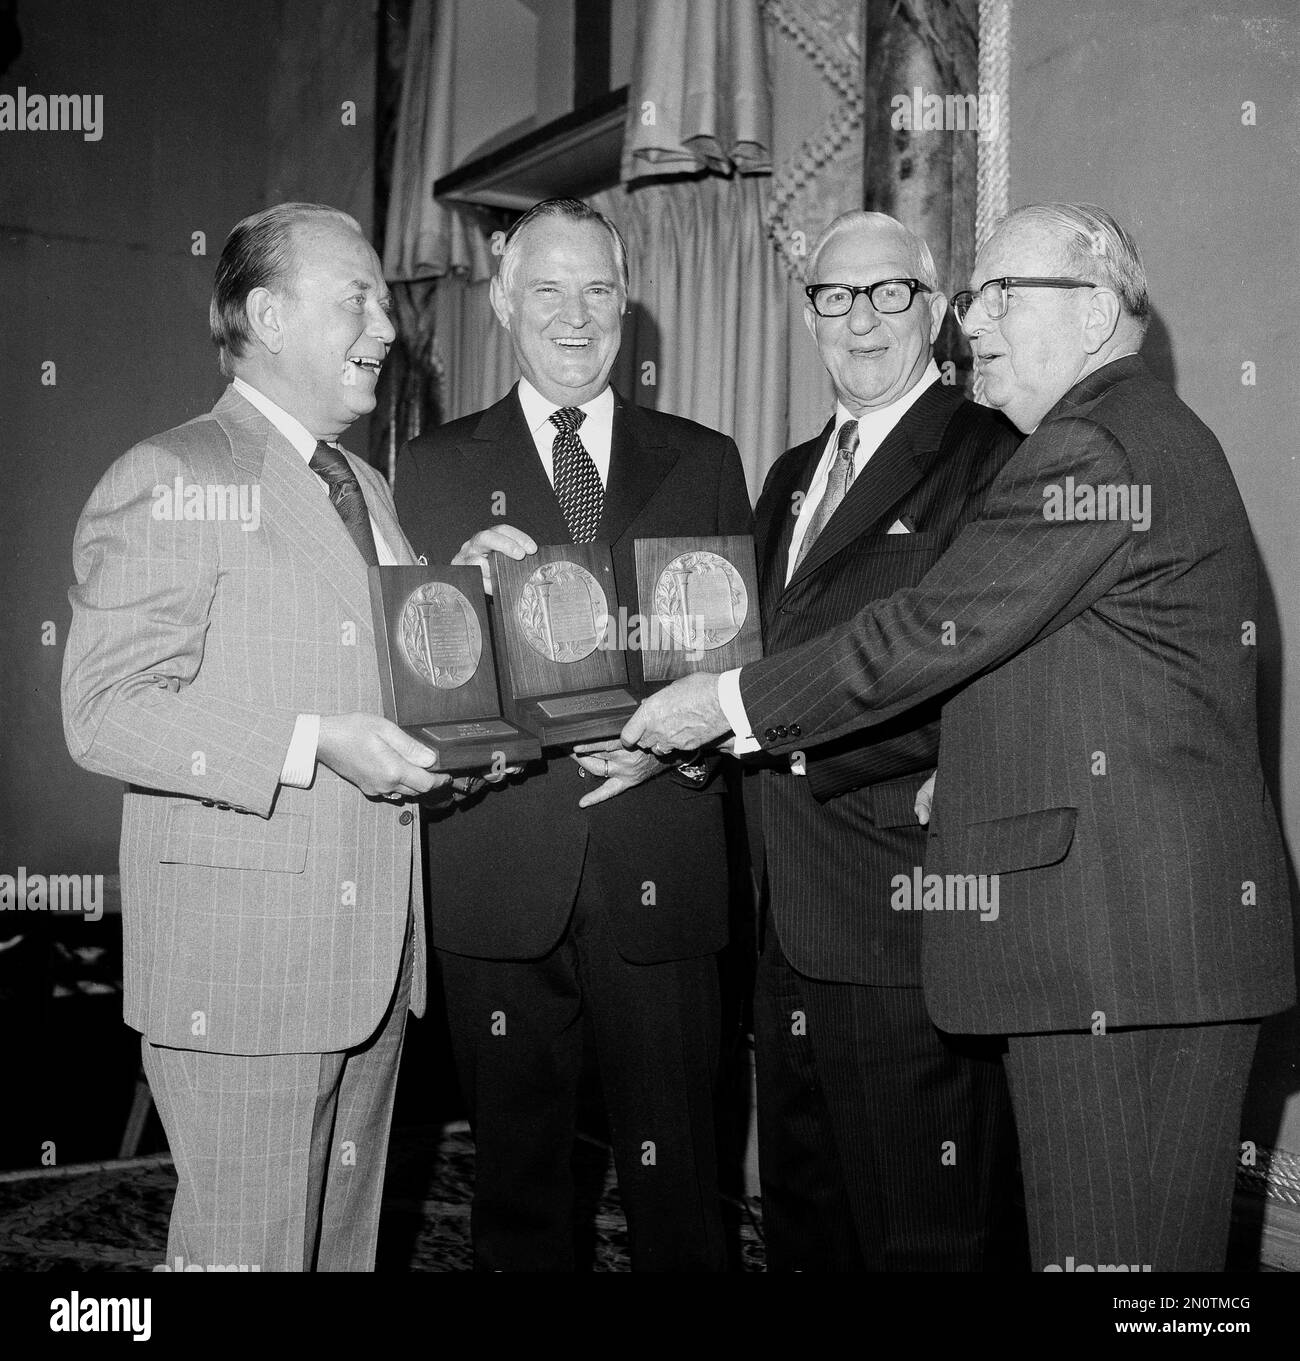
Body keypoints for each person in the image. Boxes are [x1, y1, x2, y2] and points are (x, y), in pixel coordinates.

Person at [622, 202, 1294, 1271]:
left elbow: (933, 628)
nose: (970, 323)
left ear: (1090, 312)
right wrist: (968, 773)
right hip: (1128, 950)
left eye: (995, 296)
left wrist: (727, 704)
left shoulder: (1095, 440)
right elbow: (1054, 669)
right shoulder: (1129, 430)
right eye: (976, 297)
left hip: (1120, 957)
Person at [62, 202, 449, 1271]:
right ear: (268, 316)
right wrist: (313, 737)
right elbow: (103, 707)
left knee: (339, 1252)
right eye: (357, 299)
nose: (387, 325)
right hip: (245, 971)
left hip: (371, 955)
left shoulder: (362, 484)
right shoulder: (174, 471)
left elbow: (392, 675)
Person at [395, 197, 752, 1271]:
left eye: (597, 289)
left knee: (684, 1193)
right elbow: (413, 670)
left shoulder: (704, 457)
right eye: (545, 288)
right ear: (503, 300)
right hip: (500, 860)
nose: (573, 314)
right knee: (518, 1196)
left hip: (663, 855)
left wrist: (672, 741)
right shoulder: (428, 469)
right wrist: (467, 594)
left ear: (626, 303)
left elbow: (731, 655)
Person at [745, 210, 1026, 1270]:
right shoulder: (785, 475)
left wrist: (972, 761)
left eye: (888, 293)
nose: (859, 319)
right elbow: (761, 665)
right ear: (808, 310)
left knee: (925, 1230)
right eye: (833, 295)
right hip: (783, 917)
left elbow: (1004, 653)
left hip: (907, 914)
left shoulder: (988, 453)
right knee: (809, 1220)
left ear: (935, 304)